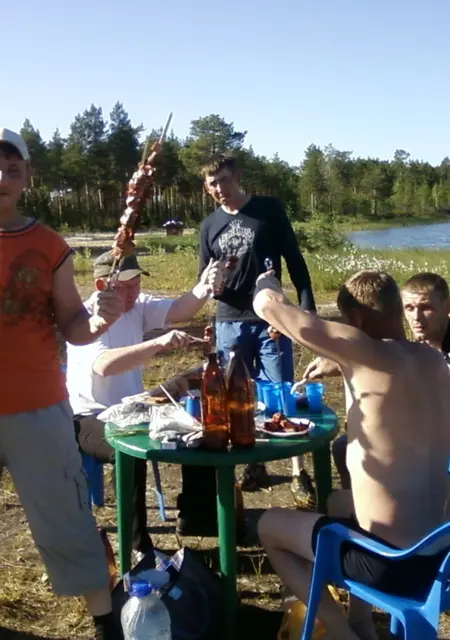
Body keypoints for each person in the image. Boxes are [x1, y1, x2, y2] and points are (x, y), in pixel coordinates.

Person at [252, 269, 450, 640]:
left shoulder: (363, 352)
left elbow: (267, 305)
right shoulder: (434, 362)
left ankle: (346, 635)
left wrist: (267, 281)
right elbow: (382, 365)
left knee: (268, 526)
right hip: (440, 557)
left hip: (391, 565)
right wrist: (341, 362)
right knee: (337, 502)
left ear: (355, 320)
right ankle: (362, 621)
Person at [0, 127, 126, 639]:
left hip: (37, 408)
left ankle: (105, 621)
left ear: (27, 177)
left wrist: (99, 321)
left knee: (66, 517)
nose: (1, 177)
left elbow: (73, 323)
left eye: (12, 168)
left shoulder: (49, 245)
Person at [66, 249, 221, 546]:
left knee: (195, 429)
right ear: (102, 286)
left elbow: (180, 311)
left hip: (133, 409)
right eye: (125, 287)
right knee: (127, 451)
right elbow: (104, 365)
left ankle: (197, 516)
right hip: (89, 417)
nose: (133, 293)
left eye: (137, 284)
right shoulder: (85, 320)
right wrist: (158, 344)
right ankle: (137, 546)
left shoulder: (137, 306)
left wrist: (203, 287)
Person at [197, 153, 317, 499]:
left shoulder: (268, 209)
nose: (219, 188)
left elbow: (294, 259)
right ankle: (254, 462)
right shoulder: (209, 226)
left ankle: (298, 470)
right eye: (212, 184)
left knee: (280, 389)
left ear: (236, 176)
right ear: (206, 189)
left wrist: (307, 309)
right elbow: (204, 280)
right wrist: (213, 284)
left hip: (270, 320)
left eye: (223, 180)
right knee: (238, 397)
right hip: (229, 321)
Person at [305, 271, 450, 490]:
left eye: (426, 308)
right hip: (421, 435)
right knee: (344, 447)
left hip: (439, 448)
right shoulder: (421, 345)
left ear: (447, 307)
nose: (416, 318)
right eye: (409, 308)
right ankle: (358, 506)